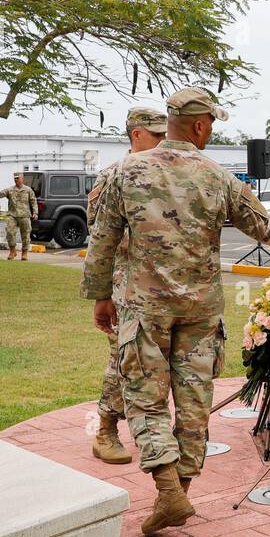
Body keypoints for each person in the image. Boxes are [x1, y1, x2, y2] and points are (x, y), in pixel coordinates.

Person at [82, 87, 270, 537]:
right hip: (201, 310)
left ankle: (169, 492)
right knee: (194, 401)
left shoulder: (125, 172)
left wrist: (101, 295)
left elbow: (103, 240)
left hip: (145, 309)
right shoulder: (218, 177)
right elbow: (265, 228)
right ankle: (178, 491)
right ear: (201, 125)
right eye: (211, 126)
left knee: (145, 399)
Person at [86, 105, 168, 466]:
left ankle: (152, 430)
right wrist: (102, 293)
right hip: (126, 283)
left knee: (158, 358)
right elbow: (100, 238)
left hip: (163, 285)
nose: (164, 141)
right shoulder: (112, 176)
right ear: (137, 134)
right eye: (157, 134)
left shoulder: (167, 173)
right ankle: (105, 430)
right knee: (122, 356)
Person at [2, 173, 38, 260]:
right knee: (10, 232)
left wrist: (35, 212)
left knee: (25, 235)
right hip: (12, 215)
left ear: (22, 179)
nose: (16, 180)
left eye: (18, 178)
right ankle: (12, 251)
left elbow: (33, 201)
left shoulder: (28, 190)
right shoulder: (10, 190)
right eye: (15, 178)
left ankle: (24, 253)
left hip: (24, 215)